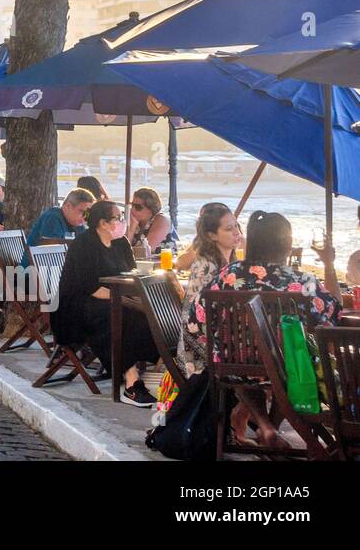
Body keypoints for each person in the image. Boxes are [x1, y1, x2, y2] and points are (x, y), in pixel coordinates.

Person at [190, 210, 341, 444]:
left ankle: (266, 425)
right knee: (289, 360)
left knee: (248, 362)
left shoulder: (228, 274)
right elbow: (332, 315)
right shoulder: (301, 281)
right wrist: (329, 264)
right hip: (289, 368)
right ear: (288, 245)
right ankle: (271, 427)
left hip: (232, 365)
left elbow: (197, 317)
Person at [52, 199, 159, 407]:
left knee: (146, 313)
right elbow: (90, 287)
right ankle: (131, 382)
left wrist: (134, 300)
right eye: (117, 218)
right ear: (102, 223)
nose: (121, 221)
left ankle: (154, 371)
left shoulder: (121, 243)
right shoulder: (84, 245)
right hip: (76, 307)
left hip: (114, 299)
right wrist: (125, 300)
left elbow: (132, 274)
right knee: (116, 316)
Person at [175, 202, 241, 377]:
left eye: (236, 226)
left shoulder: (230, 260)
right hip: (200, 345)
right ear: (212, 235)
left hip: (221, 334)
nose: (237, 232)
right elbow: (194, 317)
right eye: (229, 229)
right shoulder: (206, 265)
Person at [26, 189, 94, 248]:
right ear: (68, 206)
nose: (85, 217)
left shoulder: (79, 224)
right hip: (36, 262)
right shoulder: (52, 218)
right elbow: (51, 251)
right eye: (82, 212)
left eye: (88, 214)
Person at [126, 186, 176, 252]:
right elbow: (122, 249)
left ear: (151, 208)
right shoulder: (136, 222)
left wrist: (132, 226)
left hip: (164, 261)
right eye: (132, 205)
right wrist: (132, 226)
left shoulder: (162, 220)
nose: (132, 209)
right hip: (141, 262)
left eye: (138, 207)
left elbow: (146, 250)